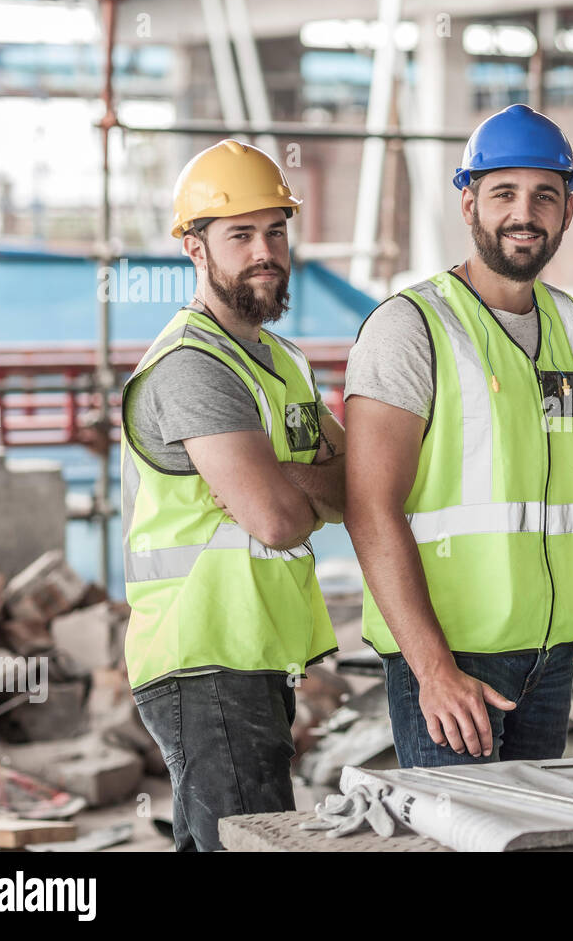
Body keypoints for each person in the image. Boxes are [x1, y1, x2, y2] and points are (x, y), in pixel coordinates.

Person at [344, 104, 573, 767]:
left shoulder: (572, 324)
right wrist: (432, 668)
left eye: (545, 195)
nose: (526, 212)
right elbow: (370, 507)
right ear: (468, 204)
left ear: (567, 211)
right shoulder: (410, 327)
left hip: (549, 655)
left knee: (533, 839)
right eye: (504, 194)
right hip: (451, 659)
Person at [121, 139, 345, 850]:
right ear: (194, 247)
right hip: (204, 656)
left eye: (276, 231)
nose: (265, 251)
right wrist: (291, 487)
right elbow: (278, 521)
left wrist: (274, 475)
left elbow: (355, 489)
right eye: (240, 234)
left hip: (253, 655)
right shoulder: (192, 366)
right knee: (252, 842)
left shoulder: (282, 361)